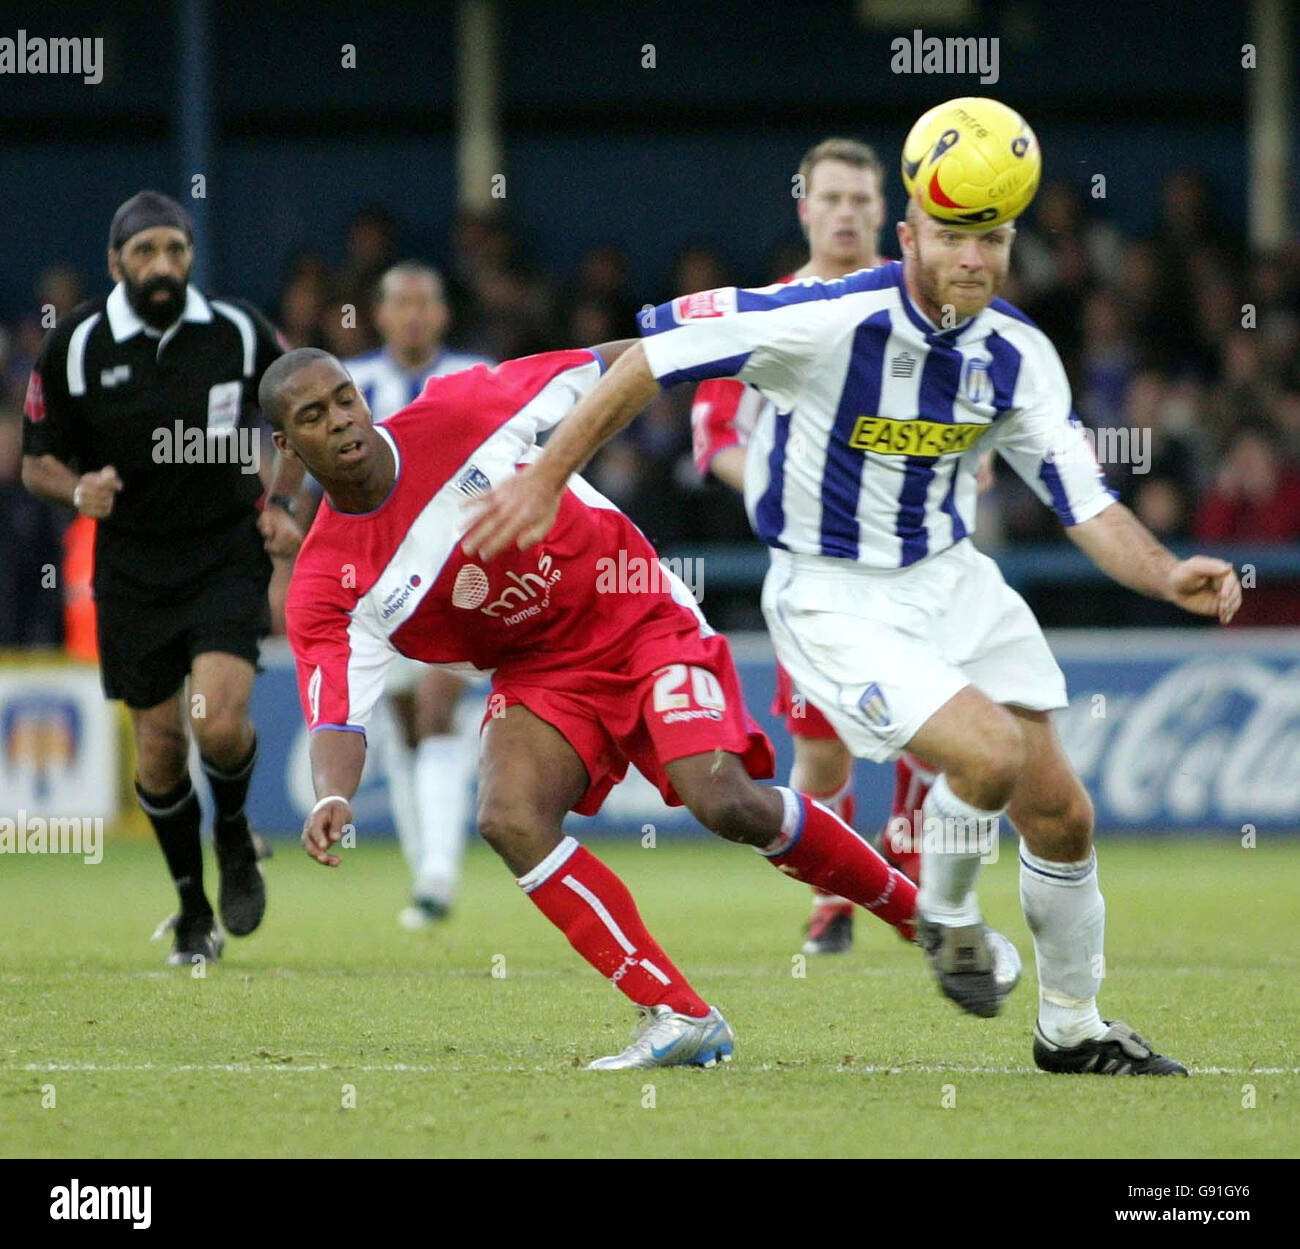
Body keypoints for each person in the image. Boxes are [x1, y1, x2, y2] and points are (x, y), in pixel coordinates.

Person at [461, 194, 1244, 1077]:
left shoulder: (1018, 354)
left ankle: (1072, 1025)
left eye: (991, 238)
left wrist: (1164, 568)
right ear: (908, 238)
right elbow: (652, 355)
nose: (973, 258)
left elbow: (1084, 502)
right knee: (987, 755)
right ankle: (944, 918)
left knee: (1062, 814)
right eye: (952, 236)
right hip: (837, 597)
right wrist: (543, 479)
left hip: (954, 580)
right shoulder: (823, 317)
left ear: (1012, 243)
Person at [262, 343, 1017, 1070]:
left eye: (344, 399)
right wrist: (334, 792)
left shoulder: (460, 410)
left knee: (724, 801)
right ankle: (679, 1012)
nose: (339, 420)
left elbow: (615, 364)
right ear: (287, 449)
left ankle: (932, 922)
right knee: (509, 815)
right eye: (312, 415)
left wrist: (722, 345)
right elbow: (337, 715)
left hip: (634, 609)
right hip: (539, 670)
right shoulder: (328, 581)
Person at [20, 191, 291, 966]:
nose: (163, 265)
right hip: (133, 565)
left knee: (220, 723)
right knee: (162, 750)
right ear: (116, 263)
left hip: (223, 551)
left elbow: (299, 405)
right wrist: (77, 491)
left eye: (174, 250)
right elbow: (37, 458)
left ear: (190, 255)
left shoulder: (236, 329)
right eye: (146, 253)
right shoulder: (74, 346)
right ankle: (191, 908)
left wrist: (288, 500)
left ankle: (233, 836)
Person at [690, 137, 929, 957]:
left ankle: (911, 862)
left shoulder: (922, 307)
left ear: (886, 213)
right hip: (816, 566)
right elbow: (713, 431)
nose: (848, 213)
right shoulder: (769, 311)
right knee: (821, 750)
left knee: (929, 724)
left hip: (917, 559)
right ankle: (836, 894)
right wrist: (776, 484)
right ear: (805, 207)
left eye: (863, 199)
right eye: (832, 198)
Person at [339, 261, 493, 927]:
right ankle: (423, 866)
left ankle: (437, 877)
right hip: (376, 582)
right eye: (400, 301)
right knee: (401, 727)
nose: (413, 313)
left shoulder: (474, 375)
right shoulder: (351, 386)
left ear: (443, 313)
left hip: (456, 573)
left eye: (425, 300)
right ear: (378, 314)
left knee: (435, 711)